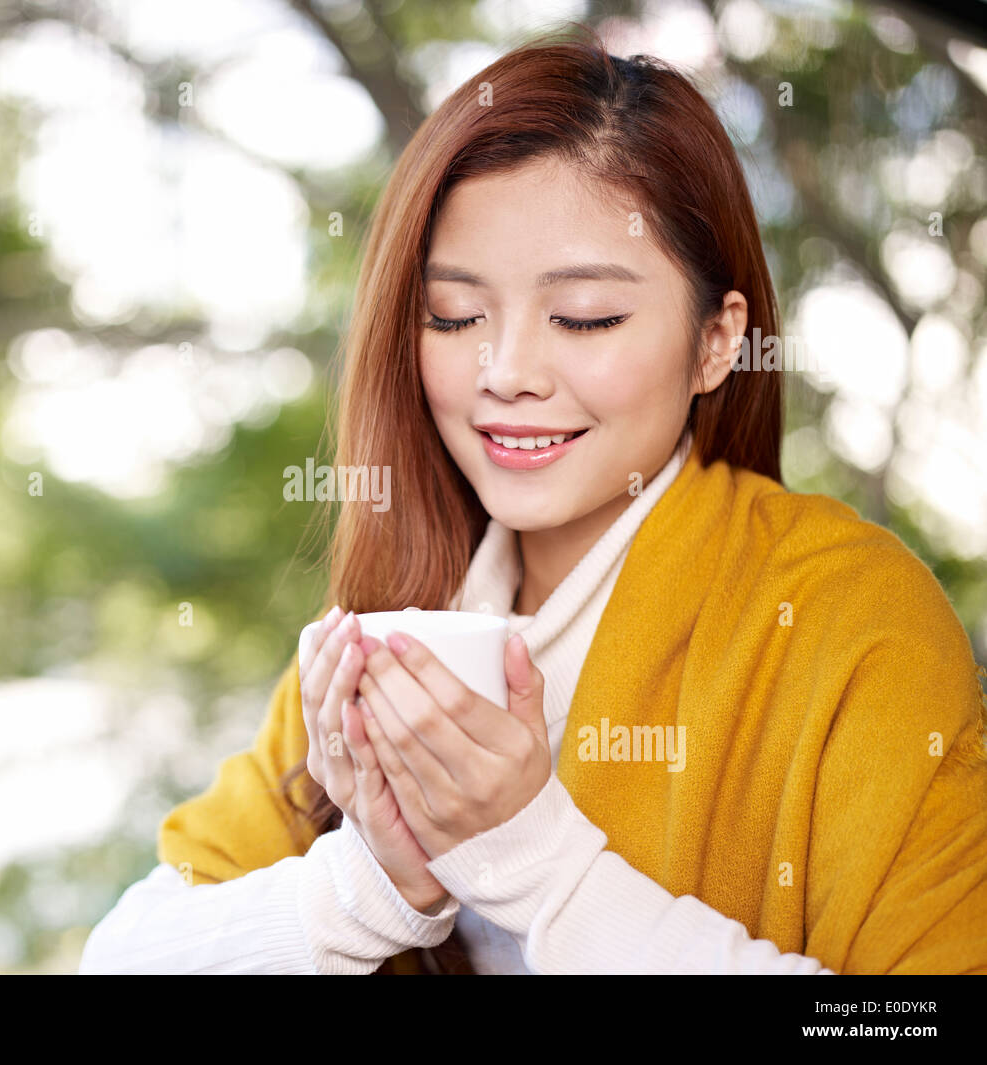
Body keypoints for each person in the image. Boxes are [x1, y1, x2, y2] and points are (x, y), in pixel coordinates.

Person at [78, 28, 987, 975]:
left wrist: (541, 869)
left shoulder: (847, 617)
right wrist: (377, 880)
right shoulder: (399, 624)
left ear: (717, 342)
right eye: (456, 316)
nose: (505, 373)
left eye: (585, 316)